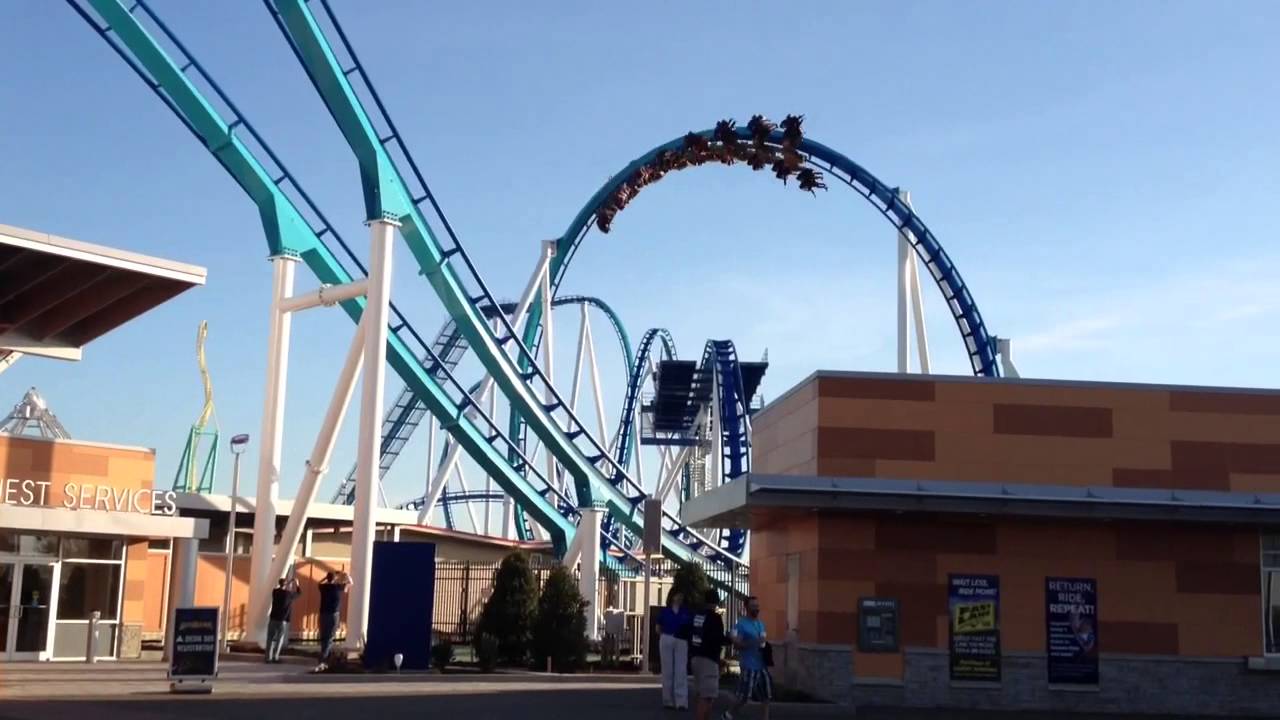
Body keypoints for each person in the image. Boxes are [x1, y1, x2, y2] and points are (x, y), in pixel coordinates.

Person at [725, 596, 771, 720]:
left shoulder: (760, 624)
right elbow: (737, 645)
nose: (756, 608)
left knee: (766, 697)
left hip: (762, 665)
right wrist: (754, 642)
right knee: (744, 697)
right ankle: (728, 715)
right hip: (749, 666)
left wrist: (766, 648)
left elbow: (762, 642)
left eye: (757, 606)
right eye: (753, 606)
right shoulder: (741, 624)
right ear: (747, 608)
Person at [689, 589, 729, 720]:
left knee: (701, 693)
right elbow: (717, 638)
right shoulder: (715, 618)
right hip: (709, 660)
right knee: (707, 697)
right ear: (716, 602)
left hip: (695, 657)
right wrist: (730, 640)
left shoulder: (697, 615)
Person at [658, 589, 692, 709]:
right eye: (678, 595)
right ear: (672, 597)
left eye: (681, 596)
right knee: (667, 669)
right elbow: (658, 627)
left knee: (681, 670)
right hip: (667, 637)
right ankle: (667, 700)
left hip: (681, 640)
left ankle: (681, 701)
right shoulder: (665, 611)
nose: (680, 598)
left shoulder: (686, 612)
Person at [315, 570, 350, 671]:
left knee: (324, 637)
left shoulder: (323, 587)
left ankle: (324, 658)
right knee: (330, 637)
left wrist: (327, 578)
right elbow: (350, 583)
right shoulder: (337, 587)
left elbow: (319, 583)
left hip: (323, 614)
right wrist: (346, 575)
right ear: (334, 579)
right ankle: (323, 660)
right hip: (333, 615)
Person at [265, 577, 300, 663]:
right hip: (282, 620)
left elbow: (280, 587)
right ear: (286, 585)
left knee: (270, 638)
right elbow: (299, 593)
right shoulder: (289, 594)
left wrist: (286, 583)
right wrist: (297, 583)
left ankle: (267, 658)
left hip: (273, 618)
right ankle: (275, 657)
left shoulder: (275, 592)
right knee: (279, 638)